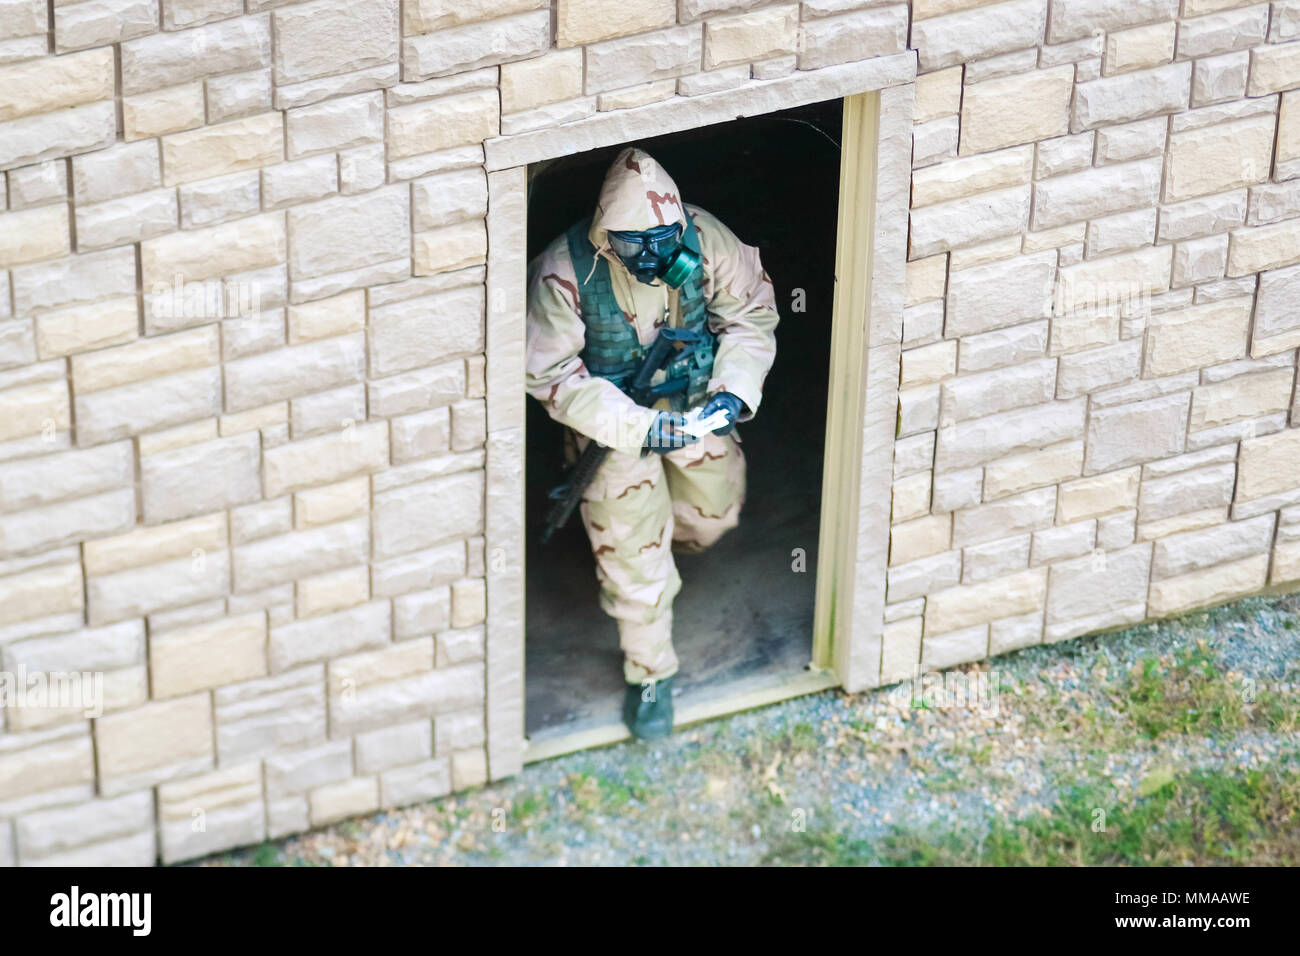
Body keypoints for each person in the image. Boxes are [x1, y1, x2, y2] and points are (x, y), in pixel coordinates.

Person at [525, 146, 779, 739]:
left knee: (715, 515)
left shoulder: (705, 239)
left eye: (668, 240)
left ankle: (665, 550)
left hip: (693, 407)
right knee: (636, 563)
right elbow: (548, 372)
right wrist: (636, 426)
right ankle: (651, 674)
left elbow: (750, 316)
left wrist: (733, 392)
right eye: (641, 247)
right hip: (614, 429)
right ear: (610, 237)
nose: (660, 257)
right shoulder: (565, 272)